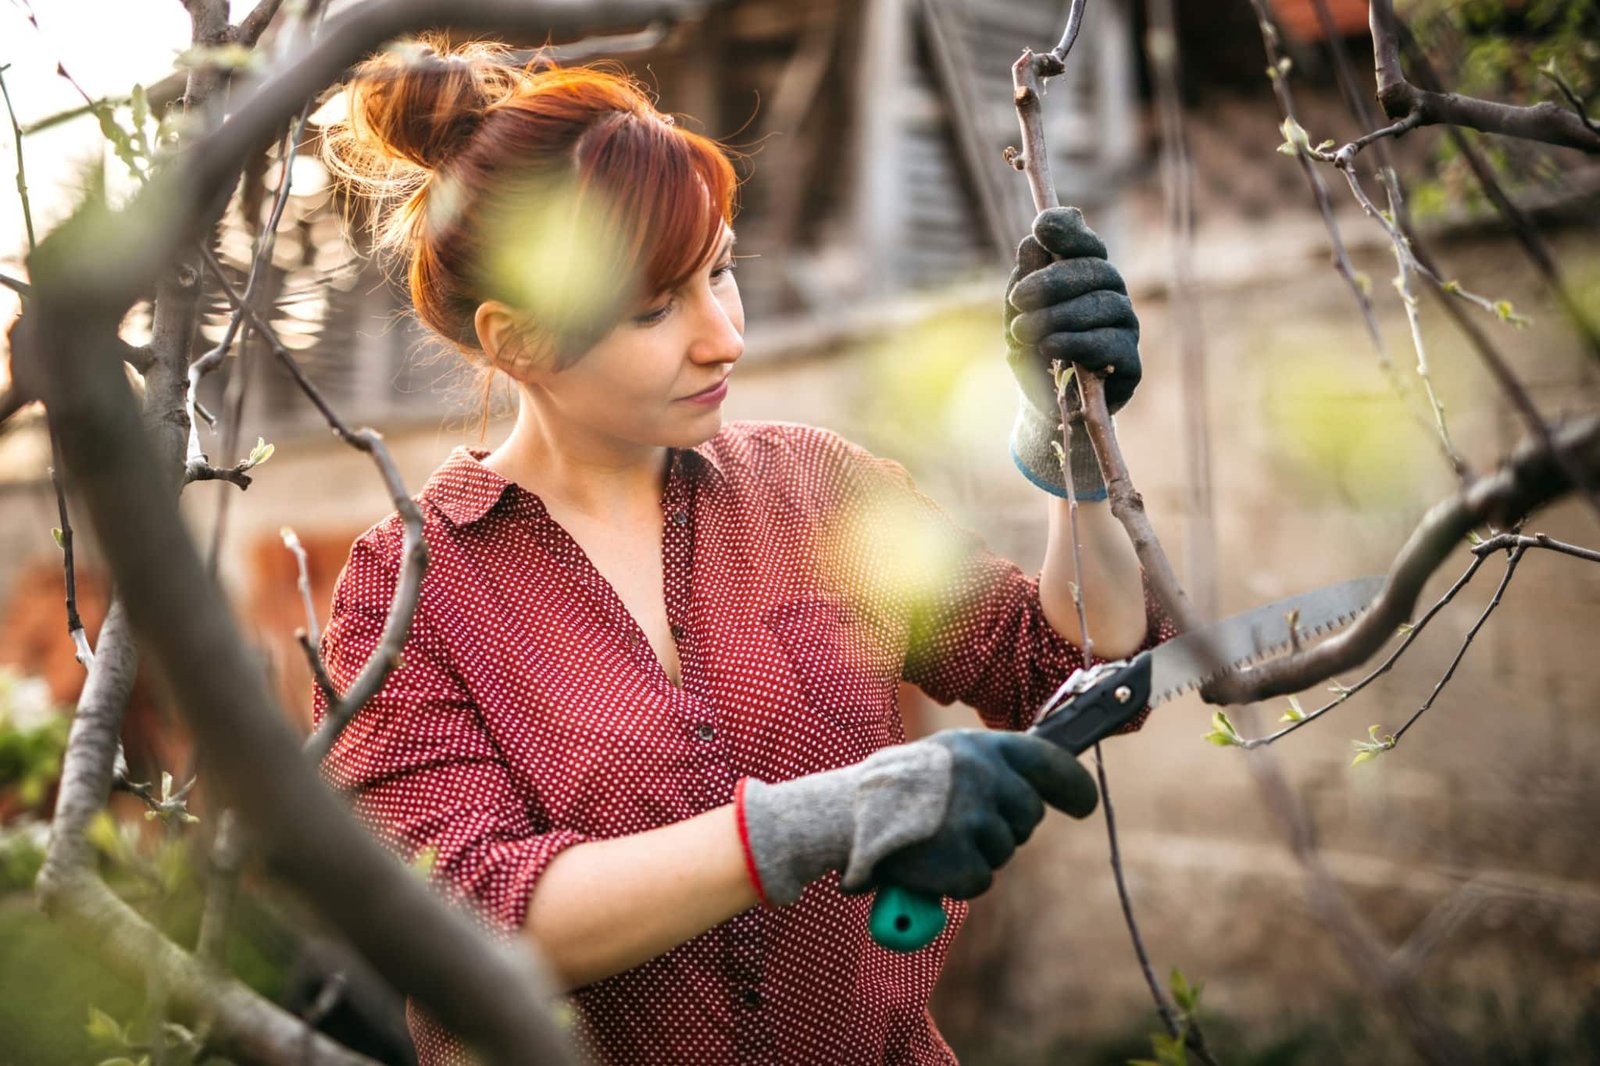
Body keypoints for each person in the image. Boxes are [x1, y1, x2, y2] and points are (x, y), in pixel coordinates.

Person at [313, 36, 1173, 1066]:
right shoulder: (404, 594)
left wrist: (1076, 459)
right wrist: (818, 819)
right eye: (654, 307)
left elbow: (1059, 664)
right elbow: (461, 919)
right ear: (515, 343)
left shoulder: (815, 490)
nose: (723, 334)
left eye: (721, 270)